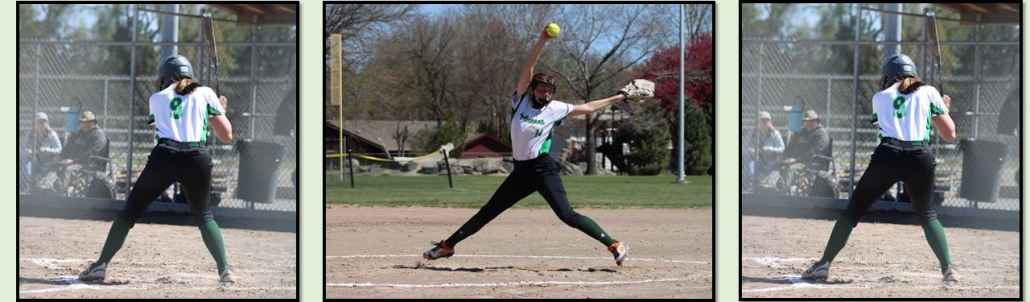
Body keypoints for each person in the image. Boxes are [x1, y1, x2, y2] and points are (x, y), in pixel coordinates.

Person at [422, 24, 637, 266]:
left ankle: (615, 244)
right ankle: (446, 247)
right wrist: (542, 40)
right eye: (543, 89)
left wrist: (620, 97)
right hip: (521, 172)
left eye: (550, 91)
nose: (547, 94)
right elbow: (529, 67)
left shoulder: (555, 109)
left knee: (567, 215)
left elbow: (588, 108)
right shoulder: (520, 102)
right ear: (532, 90)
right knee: (488, 212)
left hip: (543, 169)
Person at [78, 54, 235, 283]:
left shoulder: (157, 98)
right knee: (203, 214)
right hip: (197, 158)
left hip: (165, 157)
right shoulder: (206, 92)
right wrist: (219, 112)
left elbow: (171, 117)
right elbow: (226, 136)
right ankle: (225, 269)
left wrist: (214, 111)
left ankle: (100, 265)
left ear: (165, 76)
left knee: (130, 212)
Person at [801, 53, 958, 282]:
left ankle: (823, 264)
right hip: (920, 157)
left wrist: (937, 110)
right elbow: (950, 135)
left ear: (888, 75)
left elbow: (895, 116)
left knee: (854, 210)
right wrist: (942, 111)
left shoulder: (880, 97)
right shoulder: (930, 91)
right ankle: (948, 269)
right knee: (926, 213)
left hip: (888, 155)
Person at [741, 111, 785, 192]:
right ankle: (745, 189)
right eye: (761, 120)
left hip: (771, 162)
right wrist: (750, 151)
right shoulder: (752, 133)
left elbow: (782, 148)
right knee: (747, 161)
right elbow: (743, 149)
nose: (764, 122)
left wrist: (769, 149)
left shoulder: (775, 133)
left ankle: (752, 189)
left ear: (770, 122)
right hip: (757, 161)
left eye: (766, 120)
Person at [21, 112, 62, 193]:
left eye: (43, 121)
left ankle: (34, 189)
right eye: (38, 121)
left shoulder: (52, 135)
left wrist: (46, 150)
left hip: (47, 161)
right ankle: (24, 189)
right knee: (24, 162)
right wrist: (27, 152)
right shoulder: (29, 134)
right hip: (33, 160)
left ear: (47, 123)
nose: (41, 124)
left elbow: (59, 149)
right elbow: (21, 149)